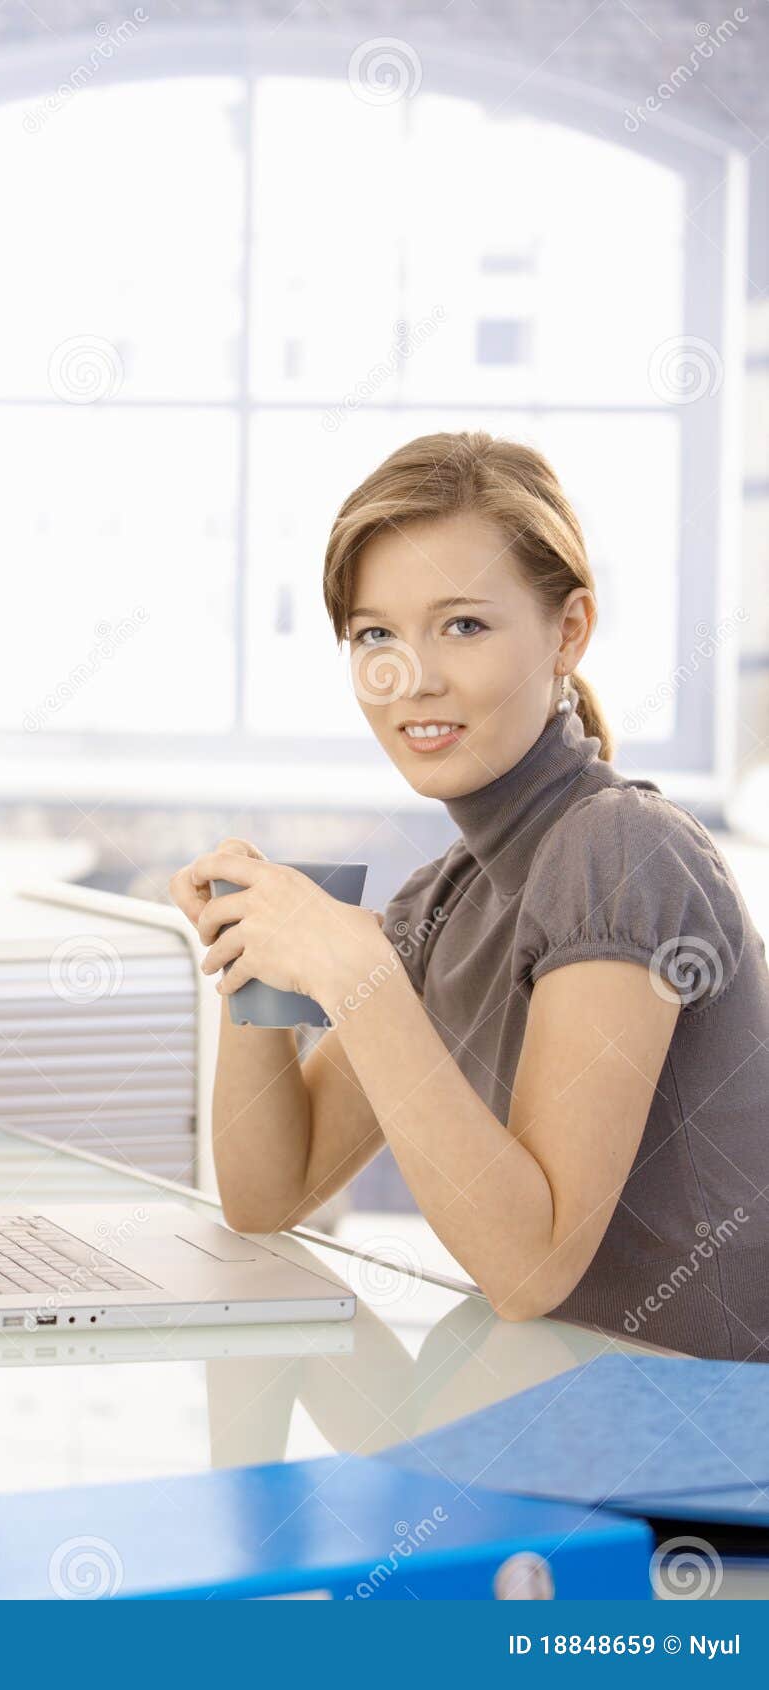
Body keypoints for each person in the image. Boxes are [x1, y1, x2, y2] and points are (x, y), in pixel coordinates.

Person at [168, 430, 769, 1362]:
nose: (411, 679)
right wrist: (257, 958)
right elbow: (267, 1195)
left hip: (706, 1457)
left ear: (567, 630)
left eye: (462, 625)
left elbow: (528, 1270)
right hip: (555, 1414)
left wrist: (357, 969)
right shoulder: (447, 897)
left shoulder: (620, 850)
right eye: (375, 635)